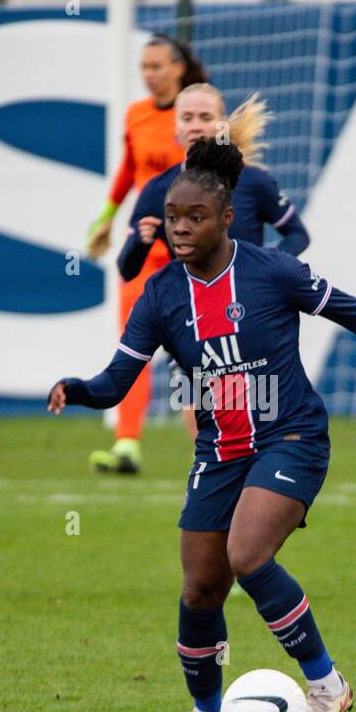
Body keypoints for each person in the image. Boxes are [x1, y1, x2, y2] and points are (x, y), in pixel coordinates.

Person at [49, 140, 356, 712]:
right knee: (200, 588)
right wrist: (78, 390)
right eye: (173, 216)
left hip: (292, 437)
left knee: (248, 554)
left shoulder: (272, 272)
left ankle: (328, 685)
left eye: (194, 217)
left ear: (226, 218)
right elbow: (117, 381)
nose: (179, 227)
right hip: (219, 453)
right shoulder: (161, 296)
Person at [116, 82, 310, 444]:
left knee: (268, 425)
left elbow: (298, 234)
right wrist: (139, 244)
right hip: (195, 320)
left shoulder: (252, 181)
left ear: (221, 126)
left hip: (253, 316)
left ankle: (275, 481)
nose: (195, 125)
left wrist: (266, 271)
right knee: (208, 432)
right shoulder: (158, 191)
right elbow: (127, 269)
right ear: (174, 127)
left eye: (205, 117)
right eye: (186, 117)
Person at [86, 34, 208, 475]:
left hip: (190, 257)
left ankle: (219, 447)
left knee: (201, 357)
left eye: (157, 66)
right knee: (132, 345)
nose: (149, 74)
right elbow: (128, 171)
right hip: (146, 254)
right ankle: (127, 444)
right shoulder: (137, 115)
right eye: (144, 67)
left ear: (178, 68)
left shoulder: (196, 118)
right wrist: (106, 217)